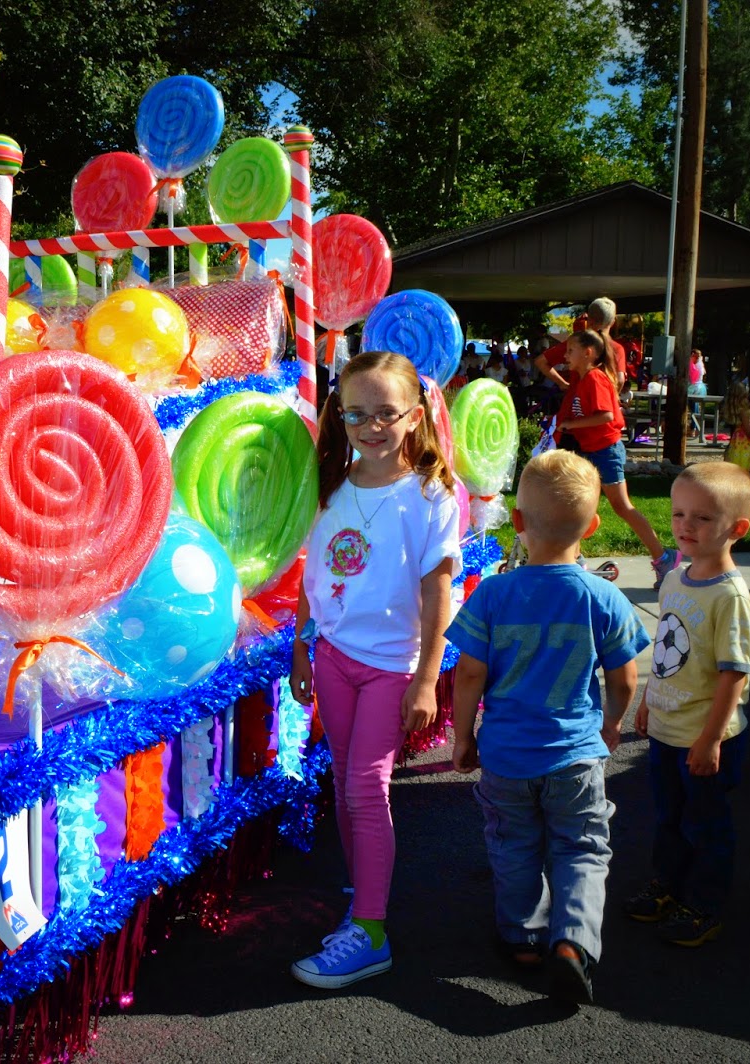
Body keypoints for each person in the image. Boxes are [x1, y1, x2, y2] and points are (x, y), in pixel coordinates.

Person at [448, 450, 647, 1004]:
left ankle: (523, 937)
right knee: (581, 848)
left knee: (513, 844)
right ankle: (574, 942)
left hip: (507, 755)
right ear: (594, 525)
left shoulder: (493, 594)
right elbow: (624, 677)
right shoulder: (602, 596)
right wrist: (612, 724)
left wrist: (463, 737)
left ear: (517, 520)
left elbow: (469, 674)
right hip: (574, 754)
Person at [288, 351, 462, 989]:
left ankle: (370, 931)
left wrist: (426, 678)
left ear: (415, 415)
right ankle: (362, 890)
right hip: (333, 658)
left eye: (386, 413)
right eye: (356, 413)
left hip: (392, 666)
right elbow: (312, 575)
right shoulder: (329, 486)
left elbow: (438, 593)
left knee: (365, 787)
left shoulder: (431, 496)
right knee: (344, 783)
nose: (371, 426)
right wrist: (301, 646)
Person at [627, 461, 750, 947]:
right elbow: (666, 654)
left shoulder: (730, 597)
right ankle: (668, 883)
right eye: (679, 513)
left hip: (704, 738)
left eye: (702, 518)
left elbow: (733, 675)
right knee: (669, 816)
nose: (685, 525)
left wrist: (710, 740)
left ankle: (704, 904)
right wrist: (647, 700)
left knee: (706, 825)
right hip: (667, 729)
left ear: (737, 529)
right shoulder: (675, 580)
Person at [556, 329, 679, 586]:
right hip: (590, 450)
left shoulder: (595, 378)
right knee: (578, 504)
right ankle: (575, 560)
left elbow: (607, 416)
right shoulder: (582, 379)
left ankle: (663, 557)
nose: (565, 356)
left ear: (588, 353)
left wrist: (571, 425)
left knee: (622, 506)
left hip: (605, 450)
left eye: (570, 351)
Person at [687, 349, 707, 438]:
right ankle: (694, 428)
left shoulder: (696, 364)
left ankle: (694, 429)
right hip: (694, 387)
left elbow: (693, 378)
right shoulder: (697, 363)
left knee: (694, 407)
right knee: (694, 408)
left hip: (695, 388)